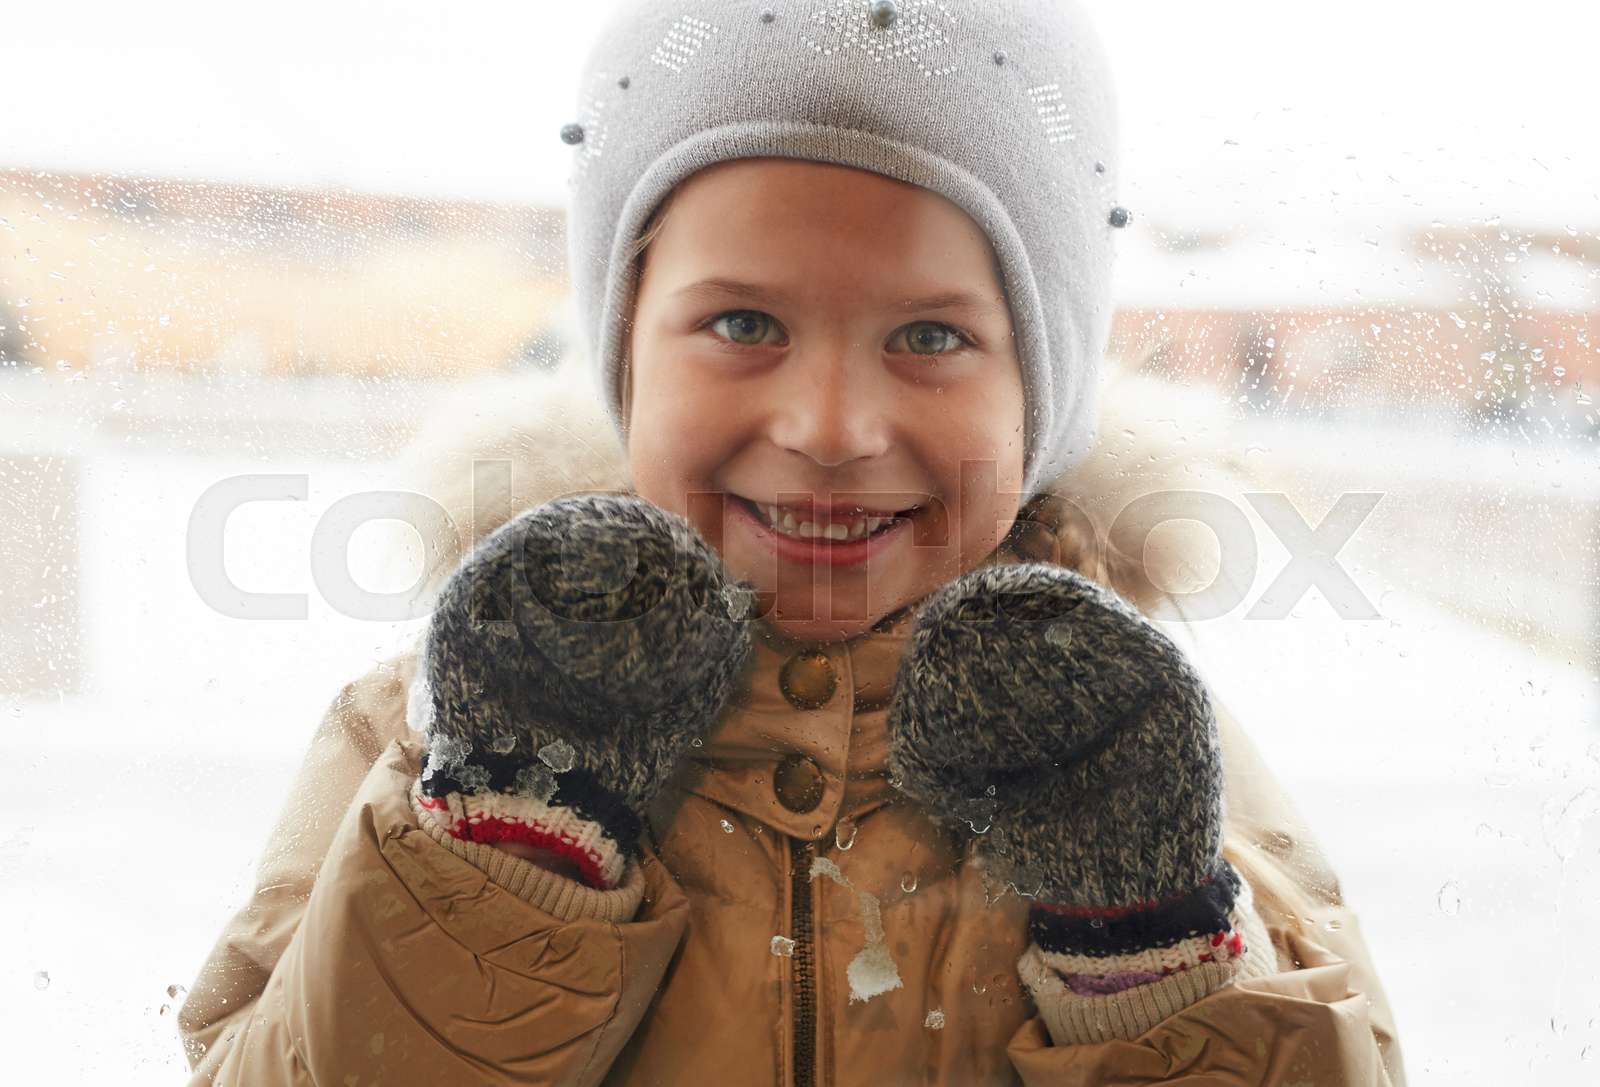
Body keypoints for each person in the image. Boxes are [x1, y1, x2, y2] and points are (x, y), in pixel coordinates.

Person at [177, 1, 1407, 1083]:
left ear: (1040, 395)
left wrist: (1146, 947)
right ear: (623, 353)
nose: (828, 428)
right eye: (744, 320)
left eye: (929, 337)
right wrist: (505, 853)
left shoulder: (1131, 742)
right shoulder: (433, 724)